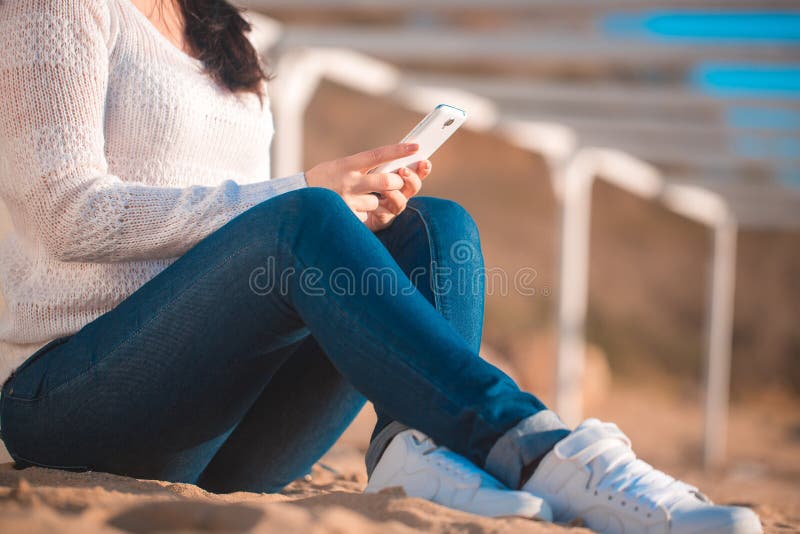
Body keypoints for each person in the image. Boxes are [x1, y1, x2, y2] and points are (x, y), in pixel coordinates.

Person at [0, 1, 762, 532]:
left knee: (434, 226)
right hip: (75, 402)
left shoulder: (225, 35)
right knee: (303, 218)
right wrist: (305, 197)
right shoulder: (61, 6)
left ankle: (413, 449)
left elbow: (230, 223)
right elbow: (68, 211)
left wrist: (351, 212)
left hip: (225, 444)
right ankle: (534, 445)